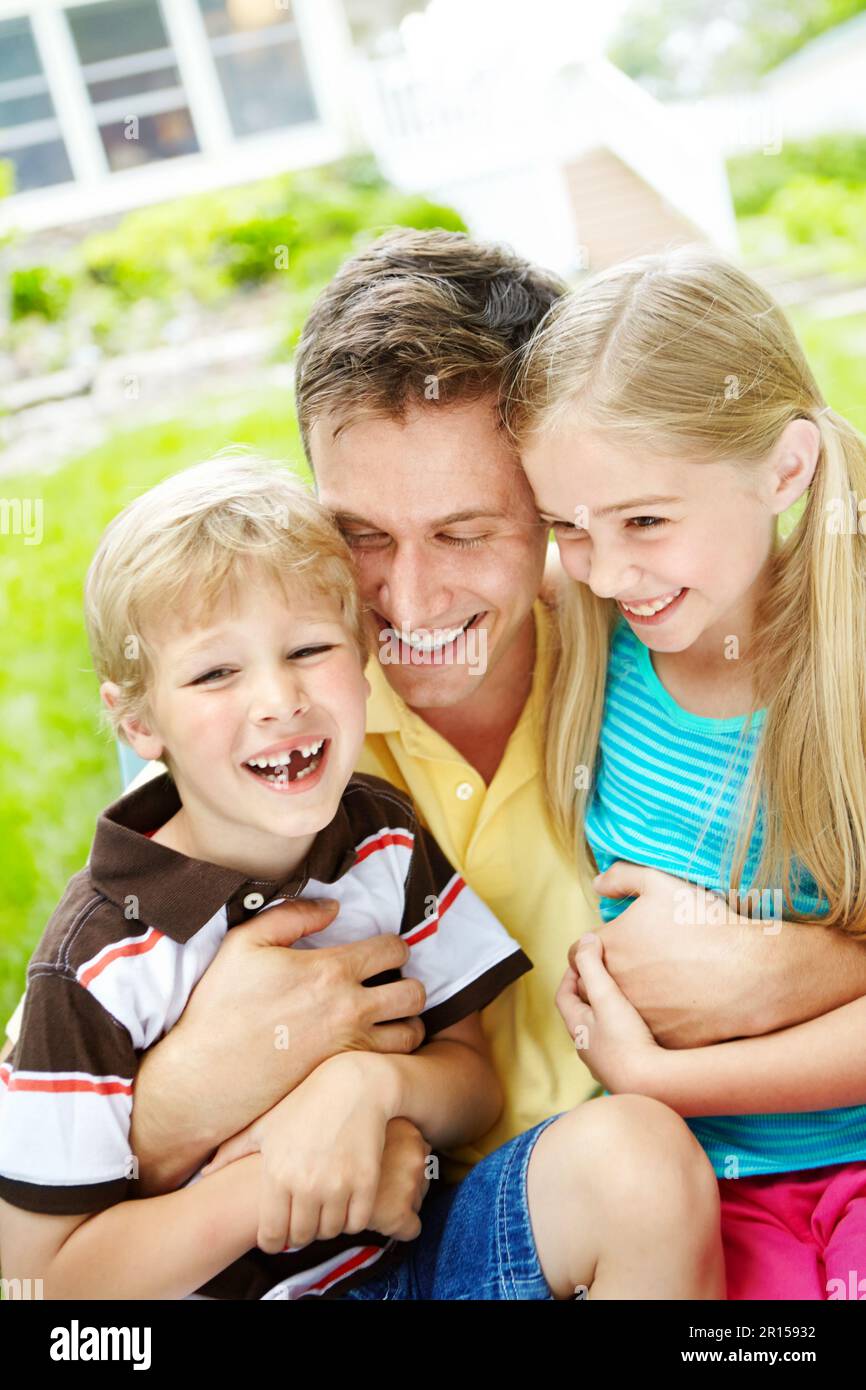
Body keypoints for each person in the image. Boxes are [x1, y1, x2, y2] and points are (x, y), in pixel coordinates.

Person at [6, 230, 865, 1297]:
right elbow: (57, 1224)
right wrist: (185, 1097)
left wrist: (801, 964)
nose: (410, 604)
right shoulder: (260, 746)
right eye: (363, 535)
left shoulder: (653, 648)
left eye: (464, 533)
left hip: (646, 1214)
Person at [0, 455, 532, 1299]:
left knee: (630, 1163)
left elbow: (472, 1083)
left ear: (362, 657)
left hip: (411, 1264)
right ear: (137, 721)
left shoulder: (384, 839)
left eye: (309, 649)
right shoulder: (96, 964)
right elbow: (42, 1281)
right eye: (216, 672)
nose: (279, 699)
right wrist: (269, 1187)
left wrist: (374, 1087)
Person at [513, 245, 866, 1300]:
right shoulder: (590, 632)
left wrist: (662, 1076)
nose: (607, 572)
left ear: (785, 470)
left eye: (646, 521)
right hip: (696, 1194)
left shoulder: (848, 666)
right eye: (568, 528)